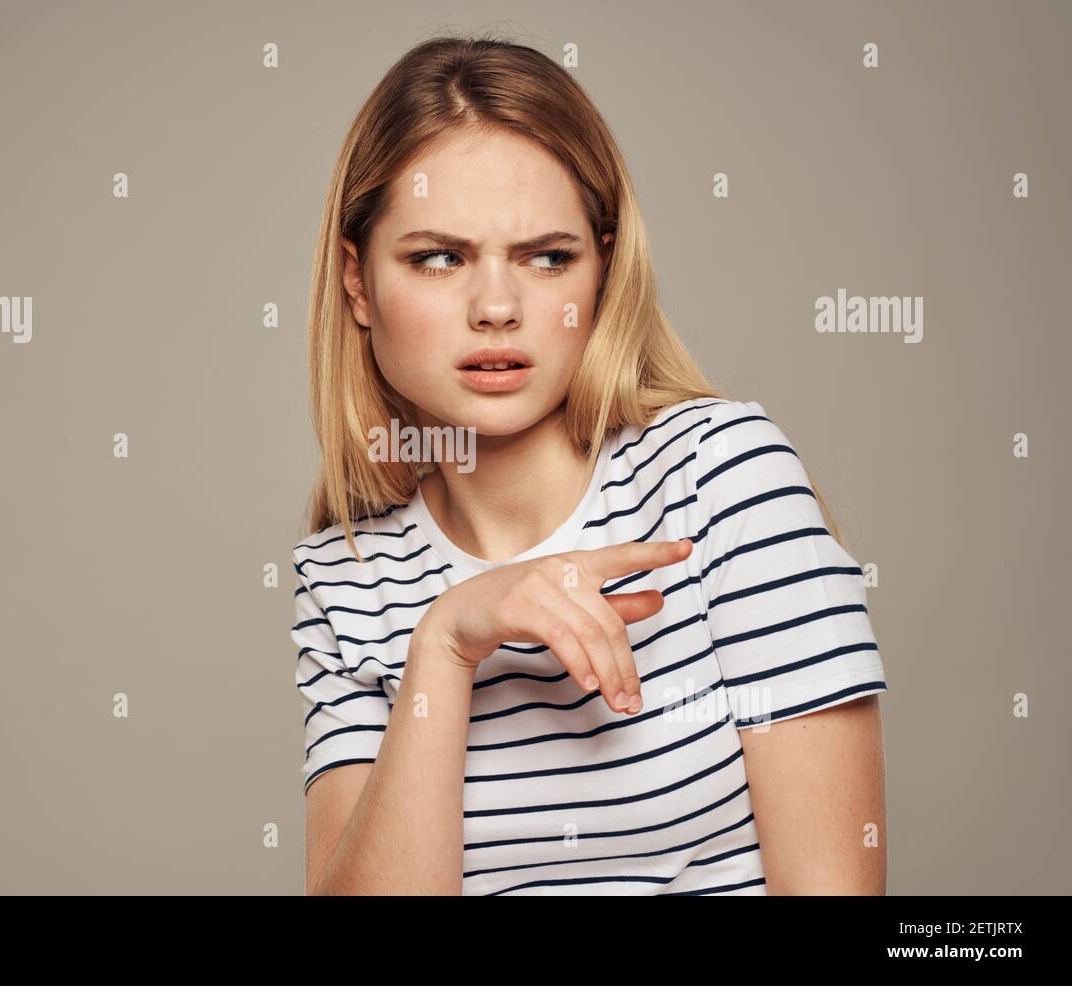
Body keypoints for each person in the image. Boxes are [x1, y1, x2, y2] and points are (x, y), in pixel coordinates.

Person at [291, 35, 889, 895]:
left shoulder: (721, 480)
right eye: (439, 257)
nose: (496, 308)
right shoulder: (346, 576)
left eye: (547, 258)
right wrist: (445, 645)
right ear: (357, 283)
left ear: (604, 271)